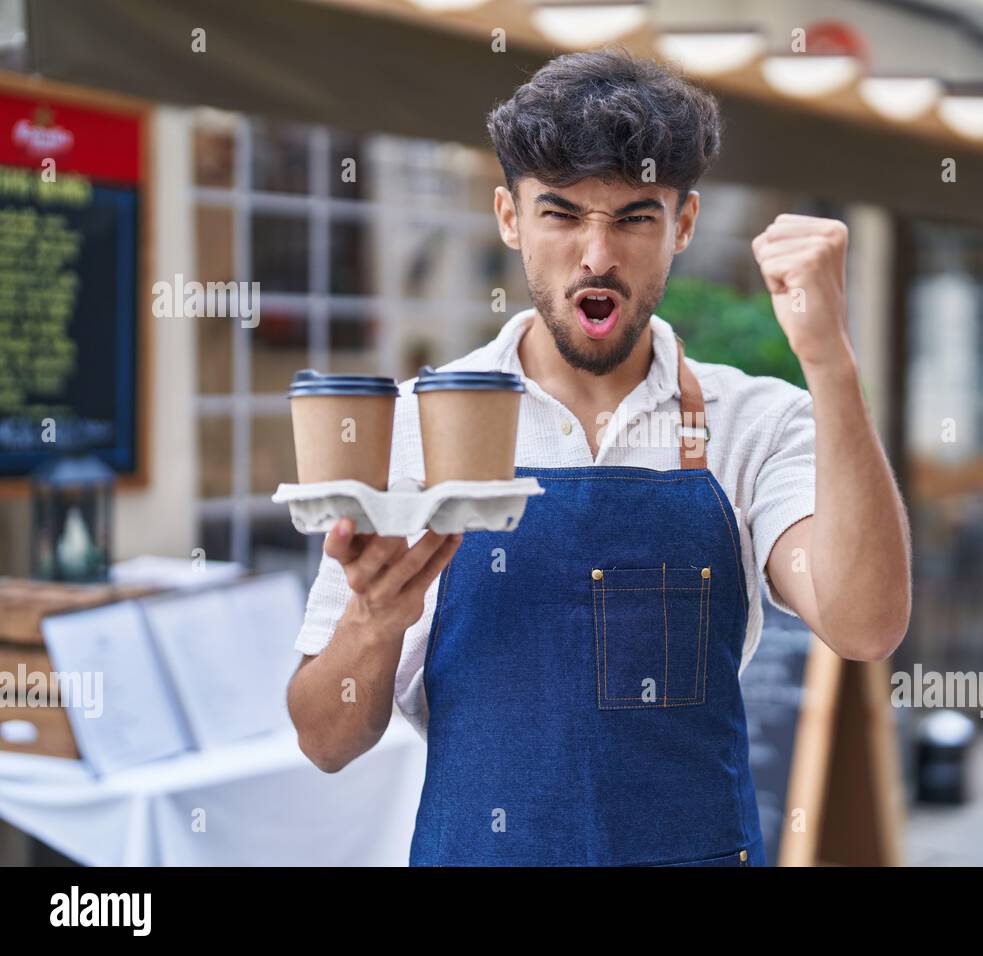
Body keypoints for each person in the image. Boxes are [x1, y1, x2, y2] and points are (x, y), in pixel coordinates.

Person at [286, 48, 911, 867]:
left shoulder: (755, 422)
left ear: (682, 224)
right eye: (562, 214)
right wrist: (373, 624)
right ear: (509, 218)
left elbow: (865, 624)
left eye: (634, 217)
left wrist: (829, 361)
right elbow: (325, 741)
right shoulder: (410, 427)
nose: (596, 254)